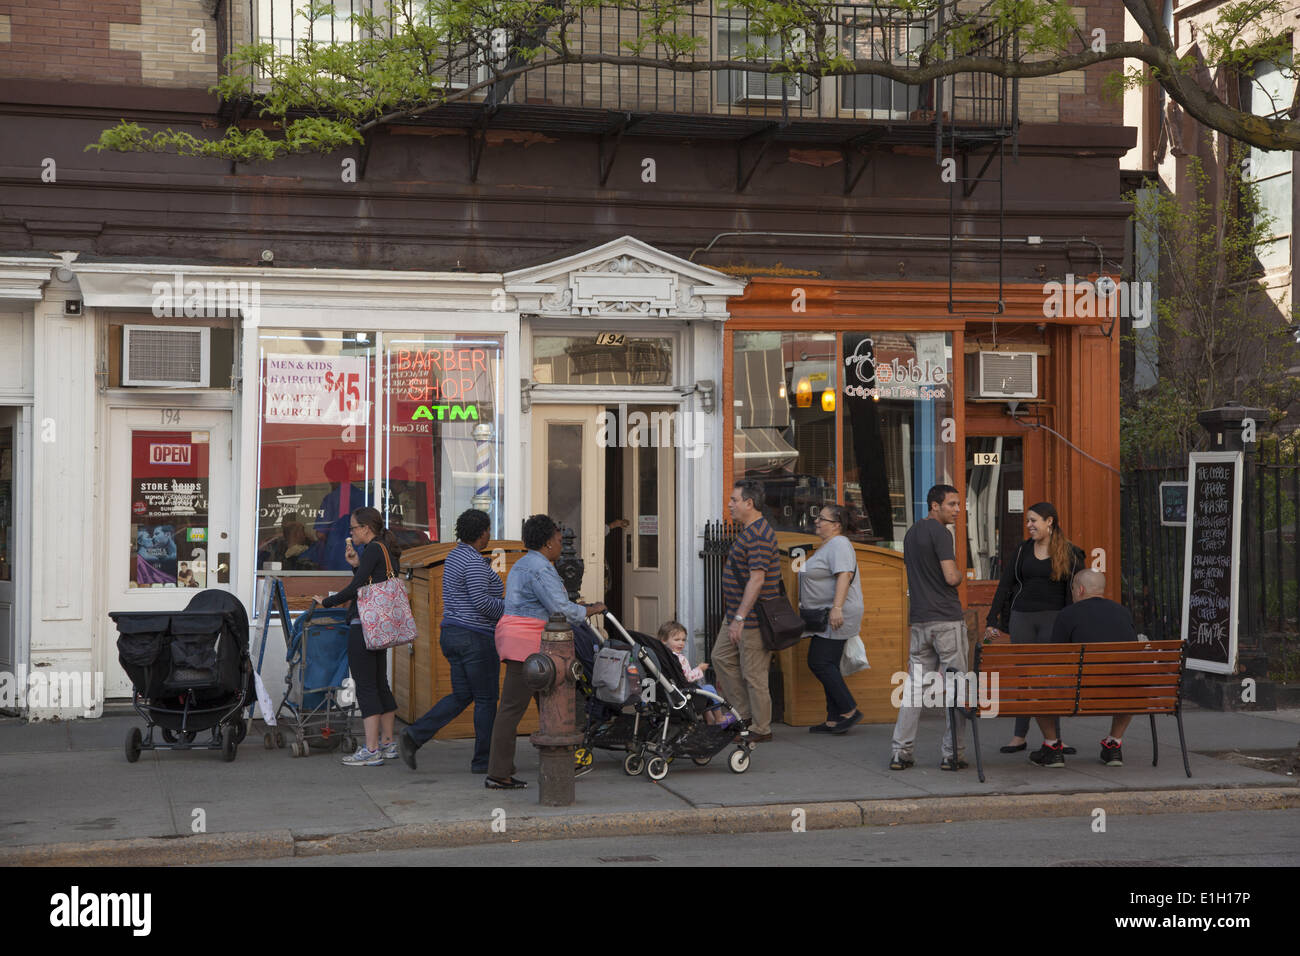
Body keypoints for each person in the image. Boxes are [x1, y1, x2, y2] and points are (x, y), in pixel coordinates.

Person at [485, 514, 606, 789]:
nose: (562, 545)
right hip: (527, 645)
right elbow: (561, 609)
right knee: (514, 708)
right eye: (560, 540)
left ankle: (564, 757)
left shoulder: (523, 564)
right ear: (549, 542)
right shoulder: (540, 567)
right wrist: (591, 609)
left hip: (524, 641)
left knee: (552, 698)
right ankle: (498, 772)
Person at [398, 508, 504, 774]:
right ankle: (484, 761)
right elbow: (481, 602)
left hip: (452, 635)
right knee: (486, 699)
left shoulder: (455, 556)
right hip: (475, 638)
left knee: (462, 695)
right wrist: (510, 607)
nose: (489, 534)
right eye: (488, 530)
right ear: (482, 533)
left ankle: (414, 735)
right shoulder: (474, 562)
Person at [984, 501, 1086, 754]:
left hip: (1055, 620)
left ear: (1049, 521)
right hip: (1022, 618)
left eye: (1034, 521)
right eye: (1028, 521)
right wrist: (991, 619)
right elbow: (1005, 584)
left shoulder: (1070, 552)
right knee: (1025, 676)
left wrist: (1076, 624)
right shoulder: (1022, 550)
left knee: (1050, 678)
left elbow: (1078, 590)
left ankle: (1055, 739)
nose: (1029, 526)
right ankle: (1019, 736)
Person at [314, 506, 402, 767]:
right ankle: (387, 743)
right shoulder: (385, 549)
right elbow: (369, 582)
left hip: (363, 624)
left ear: (366, 528)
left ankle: (371, 749)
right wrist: (356, 565)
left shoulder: (374, 548)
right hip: (380, 625)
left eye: (353, 527)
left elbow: (357, 589)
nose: (351, 532)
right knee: (379, 682)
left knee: (365, 686)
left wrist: (327, 602)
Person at [890, 484, 968, 771]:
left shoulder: (911, 533)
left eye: (959, 504)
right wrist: (960, 574)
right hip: (946, 619)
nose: (958, 510)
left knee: (913, 688)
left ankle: (901, 752)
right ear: (934, 505)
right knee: (956, 686)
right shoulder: (941, 533)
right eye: (952, 504)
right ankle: (954, 754)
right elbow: (950, 577)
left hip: (920, 620)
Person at [1029, 569, 1138, 768]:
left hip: (1079, 693)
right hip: (1122, 692)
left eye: (1072, 589)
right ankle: (1114, 744)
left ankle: (1052, 748)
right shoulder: (1123, 612)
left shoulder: (1068, 614)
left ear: (1079, 590)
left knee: (1035, 688)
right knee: (1129, 683)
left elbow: (1057, 659)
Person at [713, 479, 782, 743]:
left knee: (754, 675)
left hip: (751, 618)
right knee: (720, 657)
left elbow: (758, 579)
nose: (729, 505)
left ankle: (761, 729)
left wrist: (740, 618)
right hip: (736, 614)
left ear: (749, 503)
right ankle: (743, 714)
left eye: (734, 500)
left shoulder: (760, 535)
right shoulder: (749, 530)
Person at [799, 503, 864, 734]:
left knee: (819, 662)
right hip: (825, 614)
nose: (816, 521)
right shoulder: (828, 545)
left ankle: (849, 710)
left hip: (836, 614)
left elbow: (844, 575)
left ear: (836, 526)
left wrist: (837, 608)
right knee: (829, 664)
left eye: (822, 518)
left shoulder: (839, 544)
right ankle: (834, 719)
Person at [657, 621, 724, 725]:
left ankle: (710, 719)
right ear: (664, 640)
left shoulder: (661, 658)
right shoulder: (679, 659)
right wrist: (699, 669)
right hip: (683, 693)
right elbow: (688, 678)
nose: (681, 643)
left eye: (683, 640)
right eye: (677, 640)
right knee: (709, 689)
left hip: (669, 693)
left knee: (702, 691)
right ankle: (719, 718)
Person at [315, 458, 366, 571]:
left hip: (335, 555)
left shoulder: (331, 499)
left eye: (329, 478)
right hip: (360, 553)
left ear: (332, 478)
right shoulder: (364, 497)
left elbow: (320, 534)